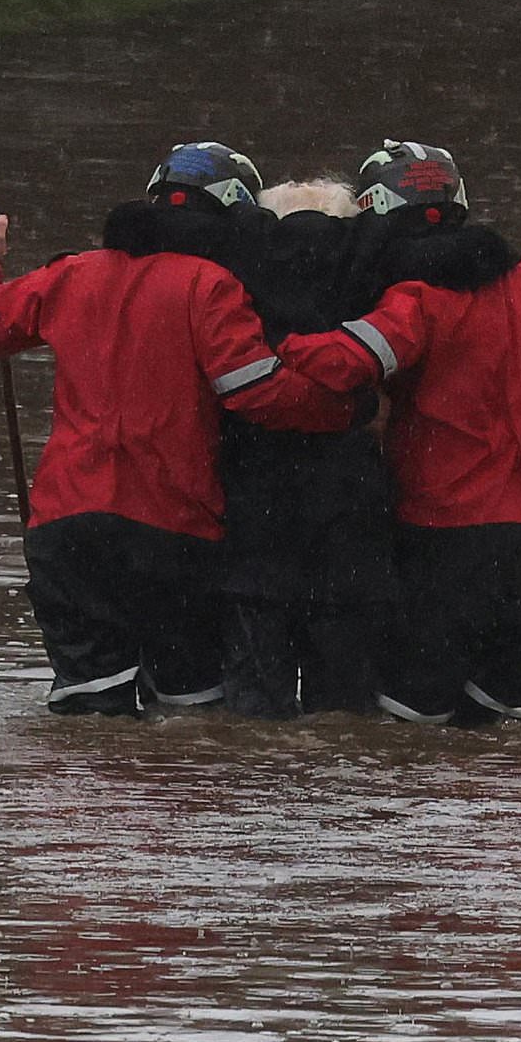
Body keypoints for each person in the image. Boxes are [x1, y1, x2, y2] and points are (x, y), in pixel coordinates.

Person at [0, 142, 376, 718]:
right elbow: (255, 392)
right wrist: (350, 411)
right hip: (171, 528)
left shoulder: (69, 274)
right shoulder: (210, 285)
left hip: (66, 528)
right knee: (190, 713)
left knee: (89, 713)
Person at [276, 140, 521, 724]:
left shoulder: (419, 299)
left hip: (446, 538)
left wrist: (272, 340)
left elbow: (341, 362)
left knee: (409, 734)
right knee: (504, 737)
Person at [209, 178, 400, 719]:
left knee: (254, 701)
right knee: (342, 703)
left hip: (255, 503)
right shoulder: (380, 288)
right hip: (351, 508)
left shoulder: (233, 287)